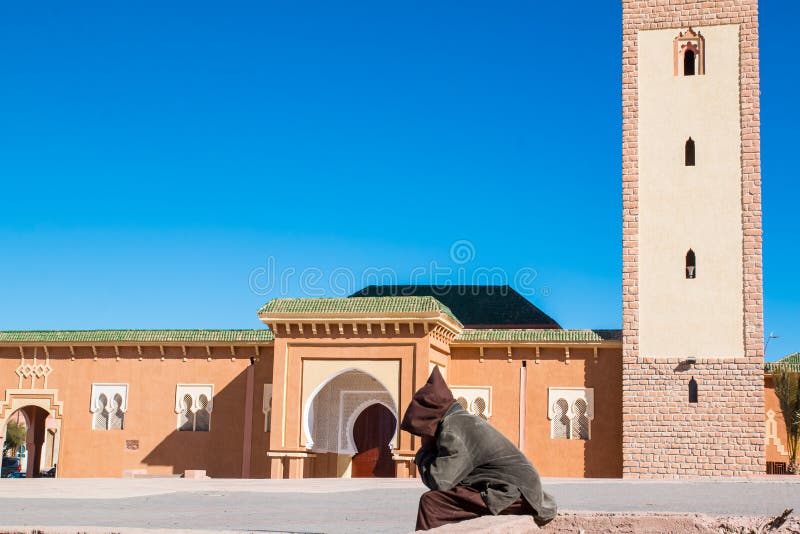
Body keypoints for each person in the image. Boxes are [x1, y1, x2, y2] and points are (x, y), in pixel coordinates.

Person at [401, 367, 557, 531]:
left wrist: (425, 450)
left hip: (513, 495)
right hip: (517, 491)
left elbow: (440, 481)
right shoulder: (459, 420)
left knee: (432, 503)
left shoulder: (452, 430)